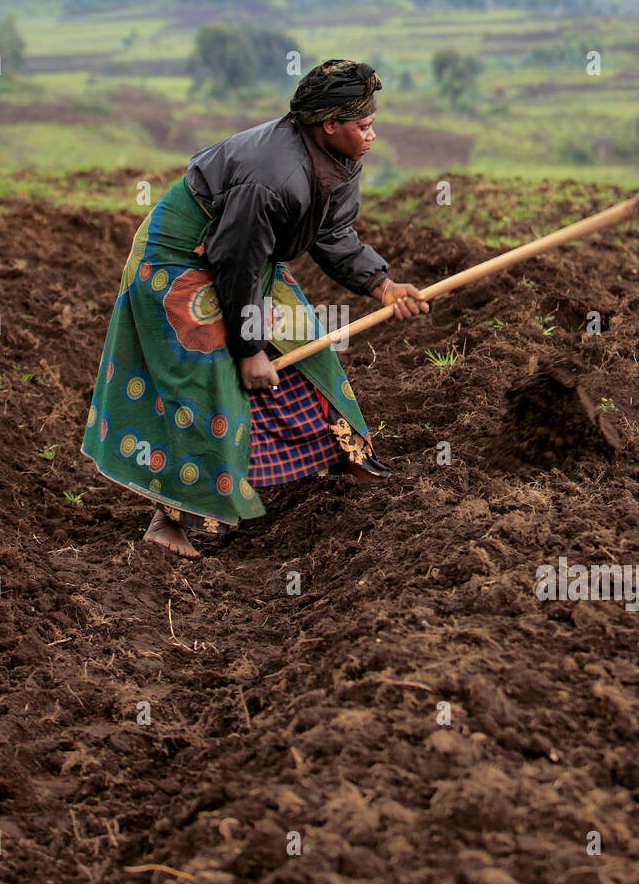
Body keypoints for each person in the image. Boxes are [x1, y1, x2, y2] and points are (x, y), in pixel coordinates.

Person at [80, 58, 428, 557]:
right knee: (209, 375)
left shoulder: (340, 159)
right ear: (329, 125)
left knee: (308, 346)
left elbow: (331, 234)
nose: (373, 135)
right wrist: (248, 349)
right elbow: (234, 264)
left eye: (373, 124)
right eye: (364, 126)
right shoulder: (272, 177)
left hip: (243, 258)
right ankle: (170, 520)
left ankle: (350, 460)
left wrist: (384, 286)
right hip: (183, 257)